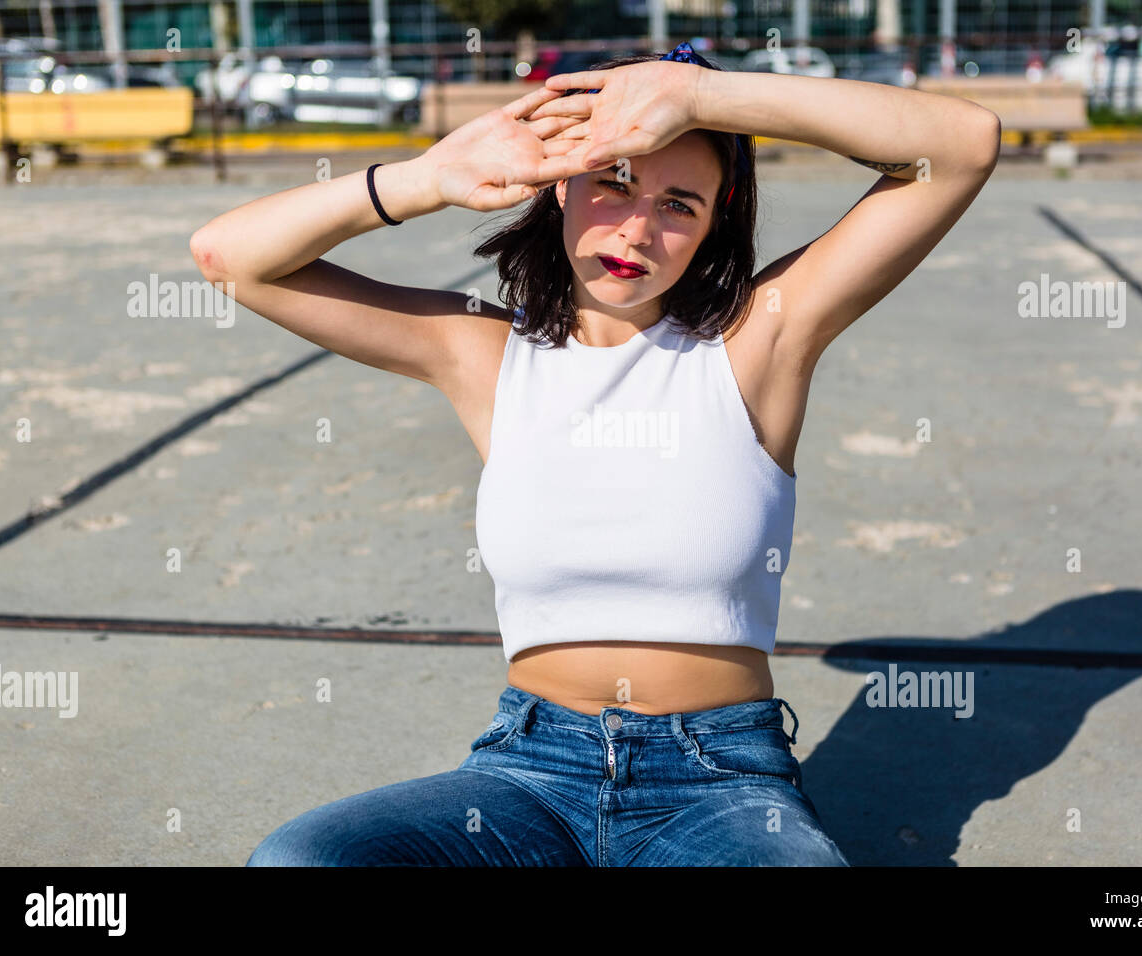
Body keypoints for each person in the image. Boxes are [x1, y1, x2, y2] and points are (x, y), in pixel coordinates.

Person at [191, 41, 1000, 866]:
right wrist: (427, 179)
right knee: (303, 860)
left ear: (714, 226)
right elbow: (232, 258)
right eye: (613, 182)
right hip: (527, 777)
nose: (639, 228)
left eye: (681, 203)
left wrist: (699, 96)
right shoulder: (483, 356)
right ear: (560, 188)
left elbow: (962, 145)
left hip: (719, 786)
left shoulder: (761, 339)